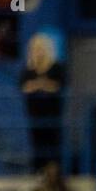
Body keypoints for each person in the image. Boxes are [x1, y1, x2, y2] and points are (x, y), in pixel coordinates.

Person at [19, 34, 65, 172]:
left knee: (53, 144)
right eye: (34, 48)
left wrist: (40, 85)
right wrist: (41, 84)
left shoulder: (56, 67)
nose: (37, 51)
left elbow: (58, 86)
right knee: (37, 144)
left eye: (40, 48)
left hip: (53, 115)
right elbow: (24, 88)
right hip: (34, 115)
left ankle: (54, 172)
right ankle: (37, 170)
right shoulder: (27, 70)